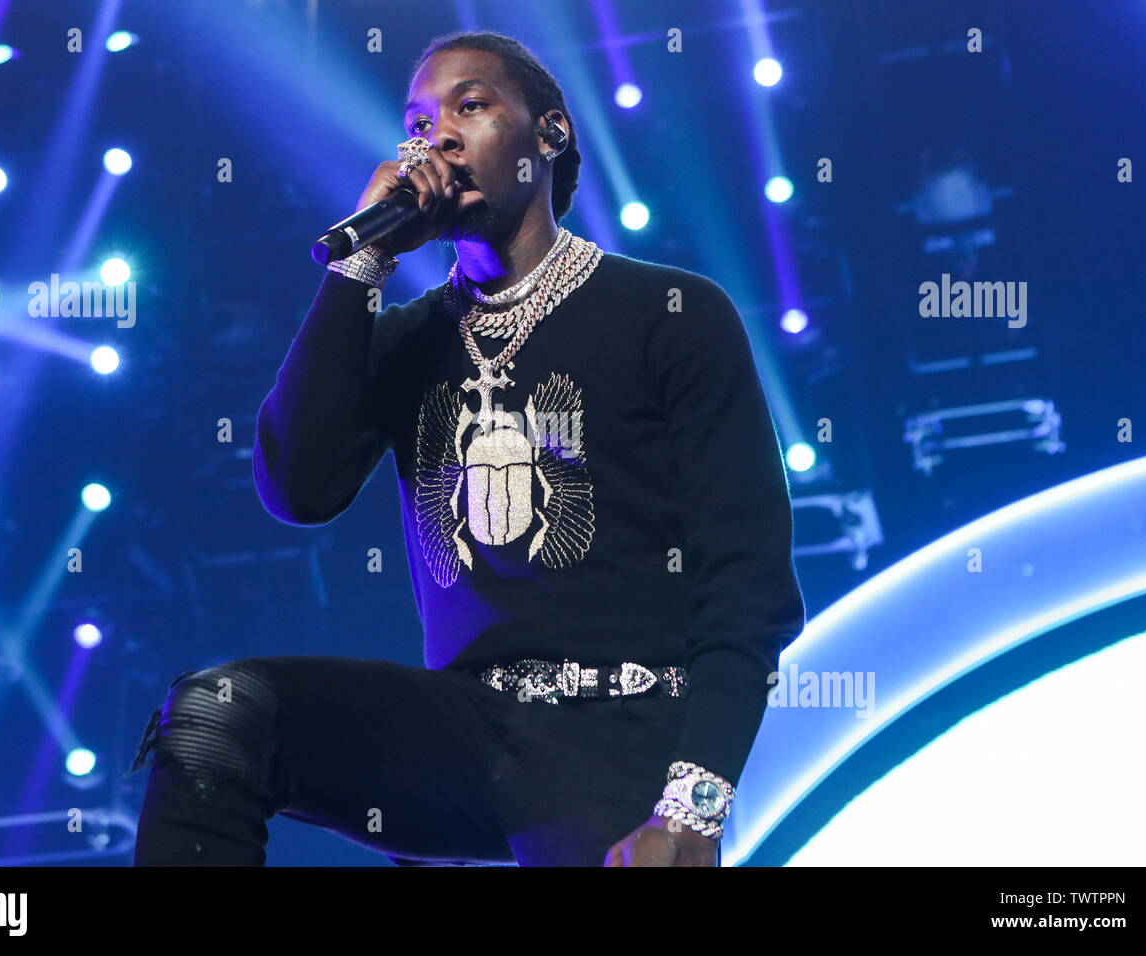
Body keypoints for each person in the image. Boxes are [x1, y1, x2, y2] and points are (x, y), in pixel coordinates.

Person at [127, 29, 805, 867]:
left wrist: (693, 809)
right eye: (417, 121)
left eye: (470, 106)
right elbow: (296, 490)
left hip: (621, 734)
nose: (436, 135)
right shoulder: (408, 342)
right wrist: (360, 268)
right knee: (216, 713)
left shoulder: (670, 312)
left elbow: (749, 585)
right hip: (464, 733)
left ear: (549, 134)